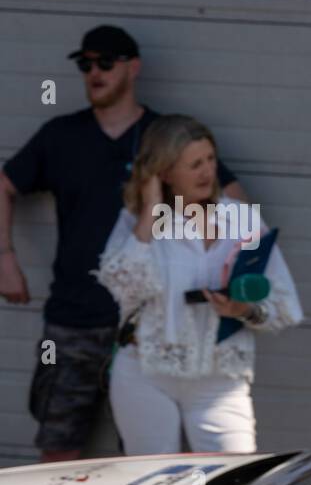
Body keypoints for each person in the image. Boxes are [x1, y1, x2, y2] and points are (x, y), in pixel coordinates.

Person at [0, 25, 247, 461]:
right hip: (73, 319)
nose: (94, 72)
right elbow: (4, 185)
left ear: (133, 68)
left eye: (105, 63)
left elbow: (231, 198)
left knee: (147, 458)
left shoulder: (165, 138)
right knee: (58, 447)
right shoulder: (61, 135)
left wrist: (223, 279)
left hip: (149, 325)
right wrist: (5, 258)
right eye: (85, 64)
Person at [94, 115, 301, 455]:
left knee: (234, 481)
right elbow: (122, 286)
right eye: (193, 165)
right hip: (146, 375)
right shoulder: (138, 221)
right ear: (164, 172)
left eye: (209, 160)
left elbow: (283, 303)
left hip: (220, 382)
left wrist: (244, 309)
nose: (207, 172)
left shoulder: (241, 218)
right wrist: (150, 208)